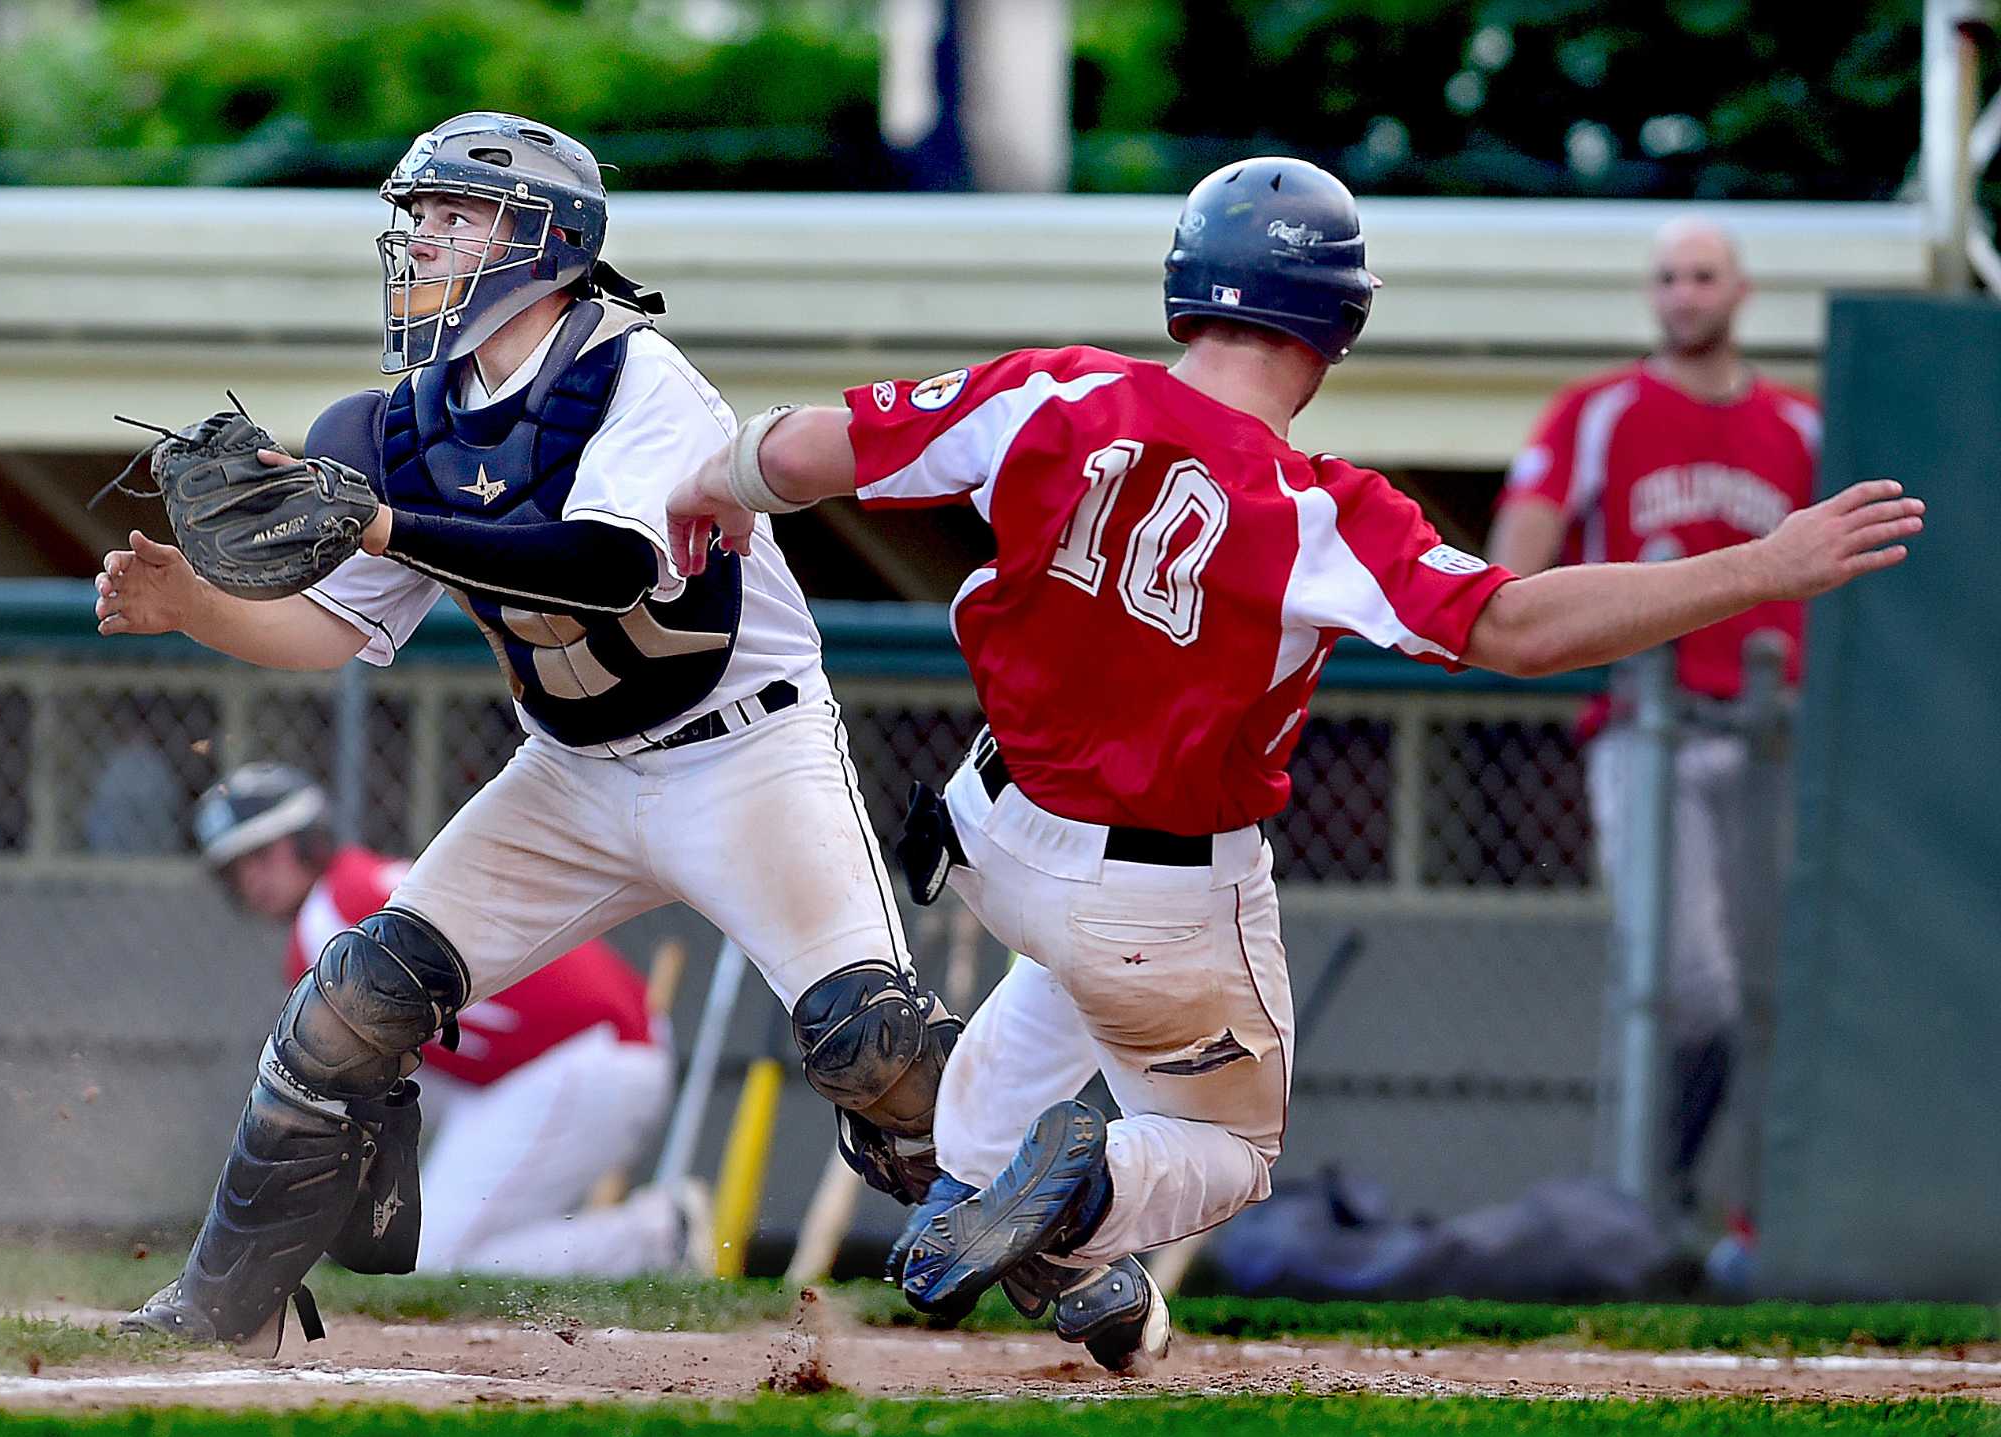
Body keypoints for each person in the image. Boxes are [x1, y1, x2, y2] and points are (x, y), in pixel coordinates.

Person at [665, 158, 1922, 1367]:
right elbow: (1517, 627)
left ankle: (992, 1193)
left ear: (1184, 287)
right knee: (1228, 1147)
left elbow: (807, 449)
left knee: (1035, 1041)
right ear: (1338, 321)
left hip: (991, 834)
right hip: (1155, 895)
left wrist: (711, 481)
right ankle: (1083, 1187)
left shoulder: (1049, 390)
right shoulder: (1320, 506)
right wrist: (1762, 566)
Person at [94, 113, 962, 1354]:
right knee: (354, 995)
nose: (425, 241)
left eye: (459, 216)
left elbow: (606, 566)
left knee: (870, 1046)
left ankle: (1078, 1258)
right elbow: (332, 632)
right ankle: (219, 1305)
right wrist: (197, 610)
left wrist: (387, 530)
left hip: (742, 752)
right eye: (421, 217)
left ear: (545, 241)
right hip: (569, 772)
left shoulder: (629, 374)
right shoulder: (394, 427)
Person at [1486, 217, 1818, 1229]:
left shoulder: (1799, 426)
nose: (1682, 293)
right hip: (1647, 724)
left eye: (1701, 275)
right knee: (1692, 988)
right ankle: (1655, 1197)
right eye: (1666, 277)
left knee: (1783, 988)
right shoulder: (1598, 413)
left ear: (1740, 290)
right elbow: (1511, 567)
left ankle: (1753, 1219)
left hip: (1775, 732)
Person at [194, 762, 703, 1277]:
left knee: (433, 1263)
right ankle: (651, 1239)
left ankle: (656, 1239)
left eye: (261, 855)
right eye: (236, 869)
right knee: (419, 1229)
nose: (251, 879)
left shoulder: (329, 918)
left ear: (307, 840)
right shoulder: (361, 883)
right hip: (573, 1056)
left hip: (578, 1058)